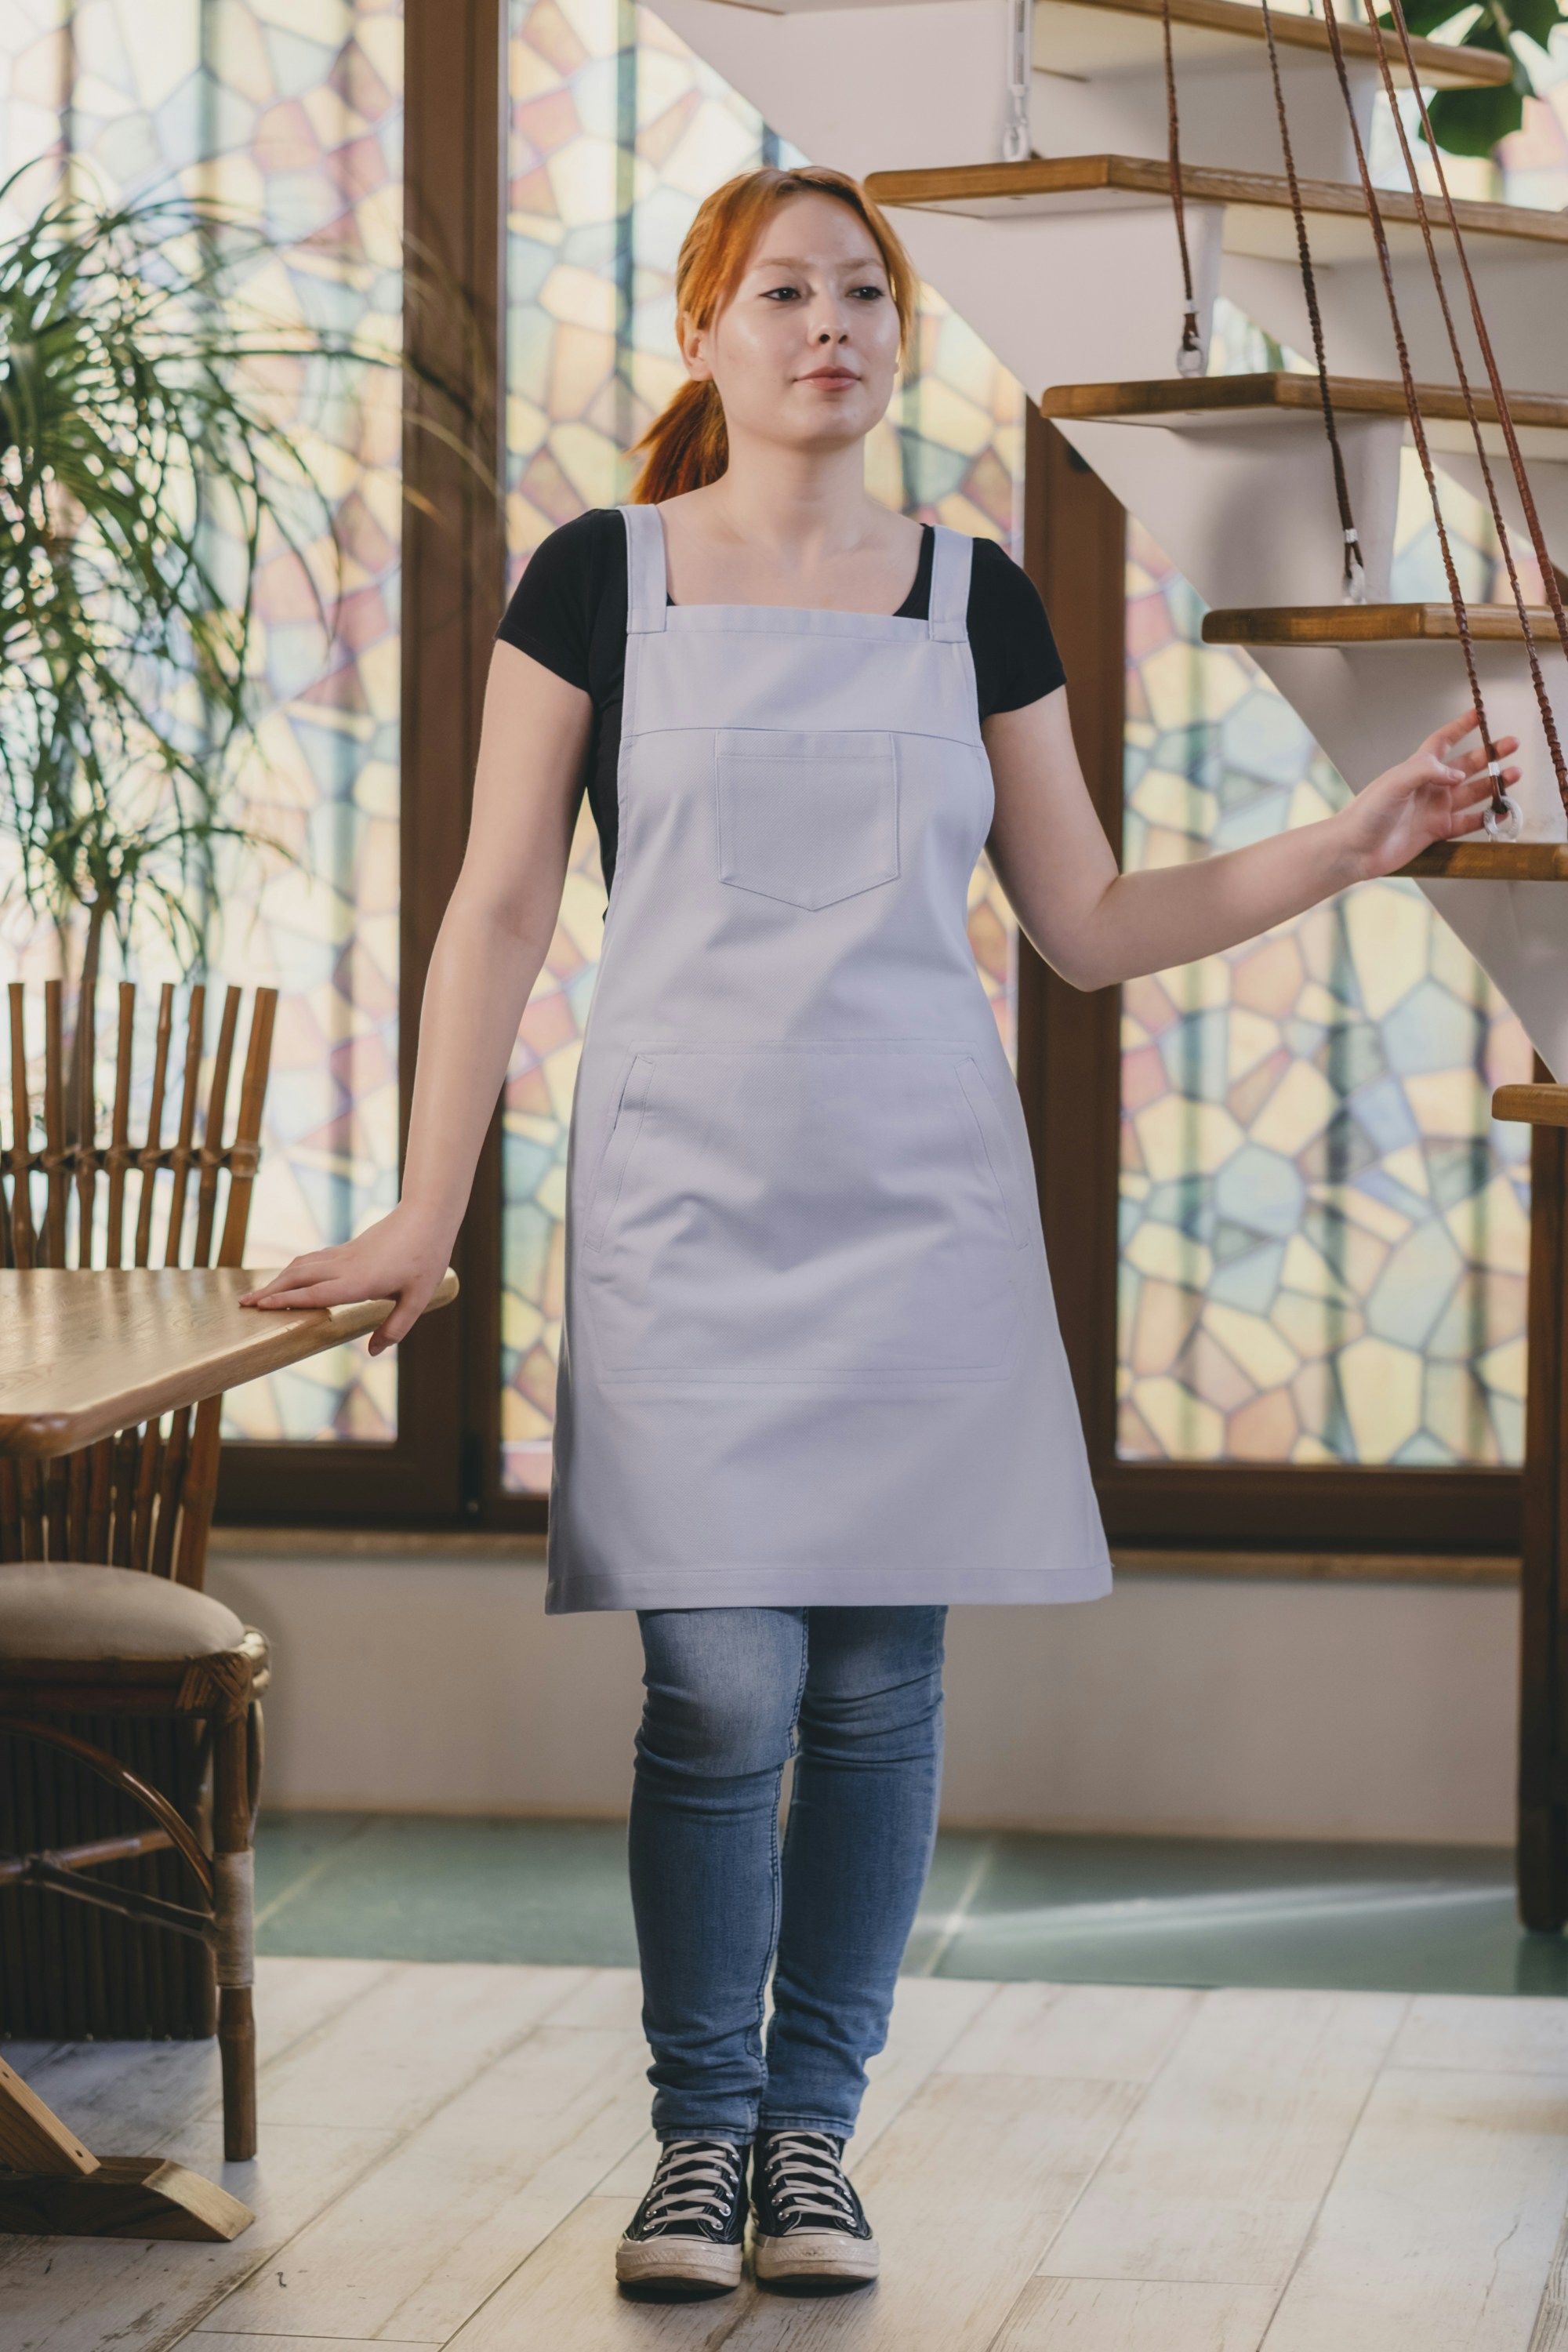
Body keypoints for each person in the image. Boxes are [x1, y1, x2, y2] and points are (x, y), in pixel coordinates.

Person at [241, 164, 1515, 2302]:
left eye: (863, 292)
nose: (828, 323)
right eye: (783, 292)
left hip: (918, 1205)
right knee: (721, 1684)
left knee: (873, 1687)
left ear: (894, 337)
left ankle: (810, 2140)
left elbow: (1095, 927)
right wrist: (424, 1205)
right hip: (682, 1203)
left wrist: (1358, 840)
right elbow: (496, 910)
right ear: (708, 333)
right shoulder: (594, 580)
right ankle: (692, 2140)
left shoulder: (974, 593)